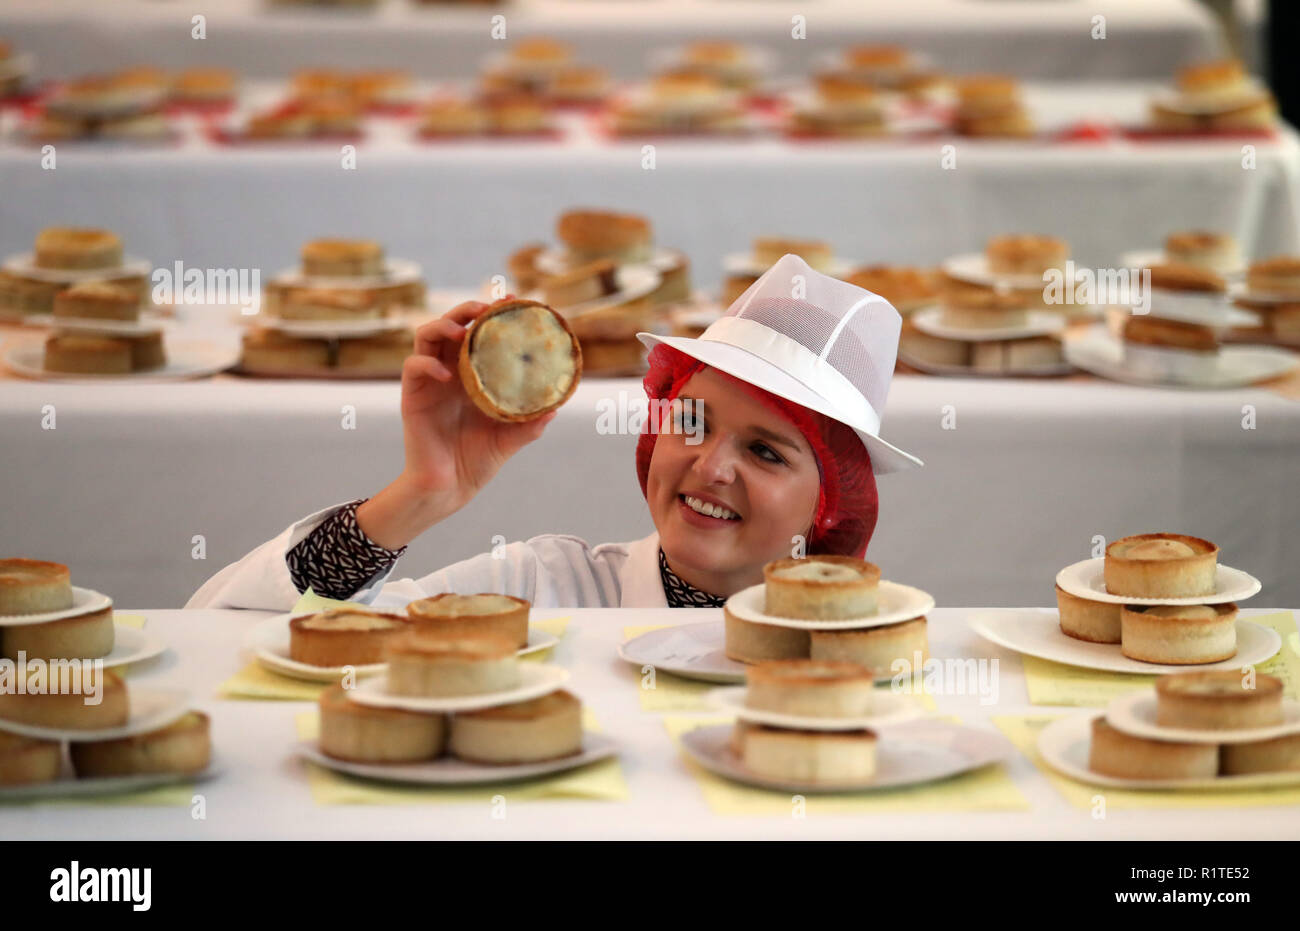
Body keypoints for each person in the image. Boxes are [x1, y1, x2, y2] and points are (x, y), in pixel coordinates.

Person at [186, 254, 922, 612]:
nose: (710, 466)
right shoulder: (542, 589)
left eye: (765, 449)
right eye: (690, 421)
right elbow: (225, 635)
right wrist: (422, 492)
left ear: (831, 504)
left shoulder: (864, 645)